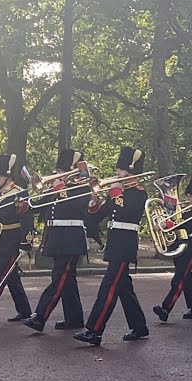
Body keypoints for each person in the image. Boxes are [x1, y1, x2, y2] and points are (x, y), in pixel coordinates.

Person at [76, 146, 150, 345]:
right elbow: (97, 216)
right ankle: (139, 326)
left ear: (131, 170)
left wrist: (115, 191)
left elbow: (127, 211)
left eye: (120, 169)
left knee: (109, 287)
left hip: (125, 244)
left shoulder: (139, 192)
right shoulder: (118, 191)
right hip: (115, 243)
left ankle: (94, 330)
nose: (117, 173)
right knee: (123, 287)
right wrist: (93, 201)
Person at [23, 149, 92, 333]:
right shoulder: (57, 186)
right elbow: (41, 204)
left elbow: (79, 207)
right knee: (67, 280)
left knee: (59, 278)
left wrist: (61, 189)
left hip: (71, 238)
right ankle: (75, 318)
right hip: (57, 237)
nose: (57, 172)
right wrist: (24, 204)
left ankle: (40, 316)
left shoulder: (84, 186)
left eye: (62, 169)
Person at [0, 154, 35, 324]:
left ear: (8, 175)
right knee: (10, 277)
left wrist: (26, 243)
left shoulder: (19, 194)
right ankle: (25, 310)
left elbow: (27, 220)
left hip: (12, 240)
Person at [154, 173, 192, 322]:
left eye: (190, 197)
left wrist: (165, 224)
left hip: (191, 246)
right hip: (181, 244)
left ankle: (166, 308)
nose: (187, 199)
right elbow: (178, 220)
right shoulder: (186, 210)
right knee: (187, 279)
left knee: (179, 279)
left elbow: (186, 223)